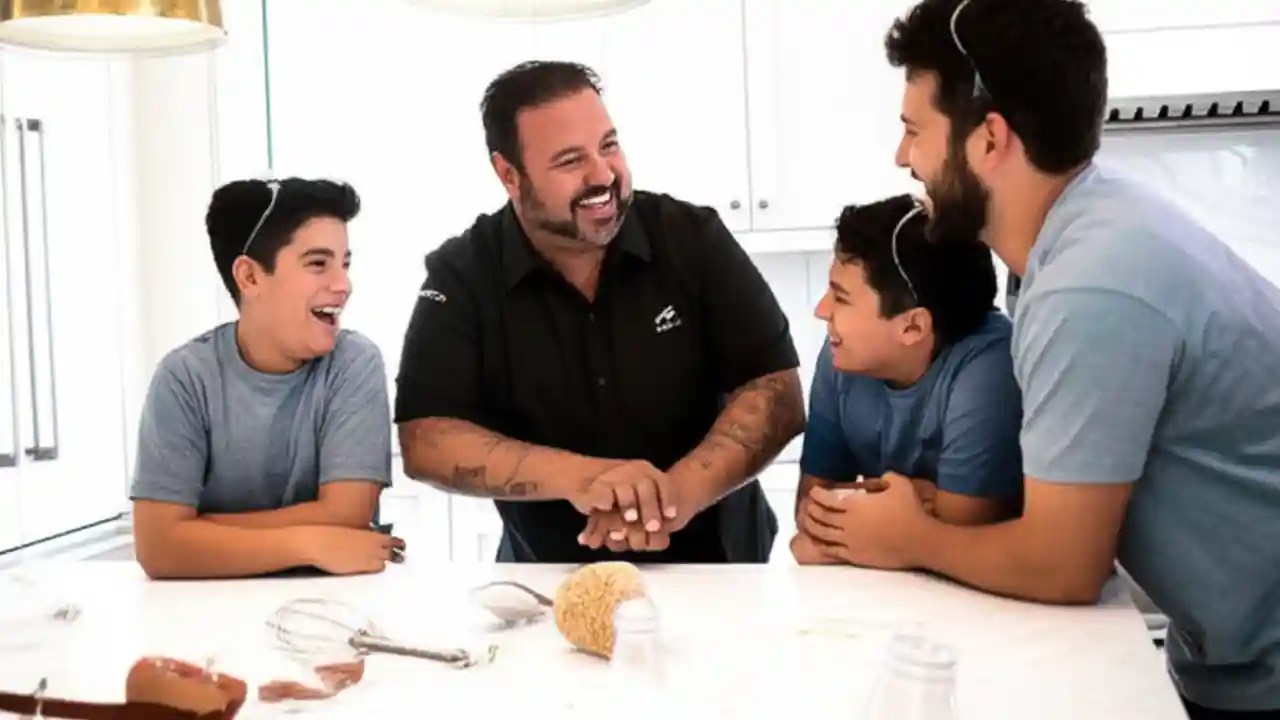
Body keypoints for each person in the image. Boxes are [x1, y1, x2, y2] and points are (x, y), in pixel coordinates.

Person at [796, 0, 1280, 716]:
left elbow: (1063, 566)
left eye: (915, 130)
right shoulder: (1079, 242)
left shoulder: (1090, 282)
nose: (904, 158)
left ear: (989, 139)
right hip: (1229, 662)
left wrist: (912, 538)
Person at [395, 60, 805, 563]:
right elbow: (426, 438)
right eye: (570, 161)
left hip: (721, 565)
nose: (603, 175)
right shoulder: (462, 274)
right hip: (547, 574)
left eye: (609, 146)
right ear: (509, 175)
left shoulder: (691, 238)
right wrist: (587, 479)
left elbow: (776, 391)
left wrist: (671, 498)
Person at [129, 178, 404, 580]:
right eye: (318, 264)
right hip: (204, 606)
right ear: (250, 277)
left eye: (345, 264)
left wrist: (194, 533)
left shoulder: (353, 364)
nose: (343, 285)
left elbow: (346, 515)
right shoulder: (184, 378)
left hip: (335, 603)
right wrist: (309, 543)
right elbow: (158, 549)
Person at [791, 194, 1022, 565]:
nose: (822, 311)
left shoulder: (989, 368)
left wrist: (868, 514)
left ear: (912, 326)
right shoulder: (843, 356)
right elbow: (810, 512)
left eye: (841, 298)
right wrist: (915, 504)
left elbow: (960, 537)